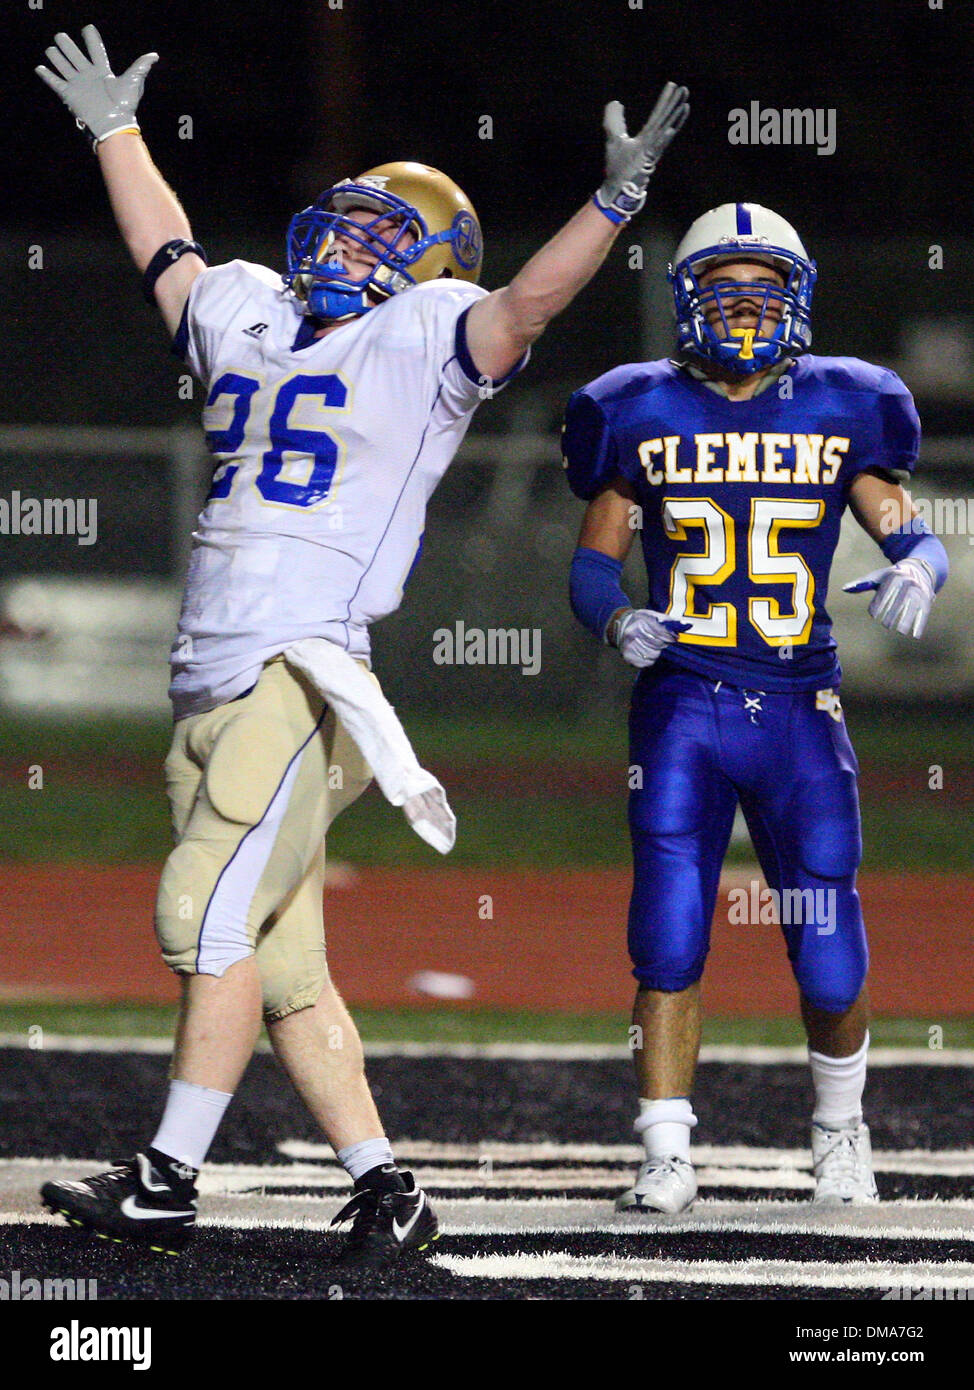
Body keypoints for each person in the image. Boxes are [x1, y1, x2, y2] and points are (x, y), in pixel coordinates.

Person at [35, 24, 689, 1267]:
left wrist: (612, 201)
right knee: (280, 969)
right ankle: (387, 1188)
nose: (343, 245)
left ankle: (169, 1180)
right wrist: (116, 132)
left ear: (428, 266)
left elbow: (528, 304)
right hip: (209, 682)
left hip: (301, 672)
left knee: (200, 917)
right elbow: (164, 255)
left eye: (380, 238)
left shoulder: (427, 339)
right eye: (340, 224)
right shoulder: (249, 313)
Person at [562, 200, 948, 1215]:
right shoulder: (636, 408)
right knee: (670, 932)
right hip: (682, 701)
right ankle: (663, 1149)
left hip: (798, 705)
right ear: (686, 300)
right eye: (724, 291)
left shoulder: (841, 404)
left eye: (762, 290)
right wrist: (613, 623)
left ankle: (838, 1130)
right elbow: (592, 562)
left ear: (796, 298)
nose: (743, 309)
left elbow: (901, 522)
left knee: (825, 946)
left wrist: (923, 559)